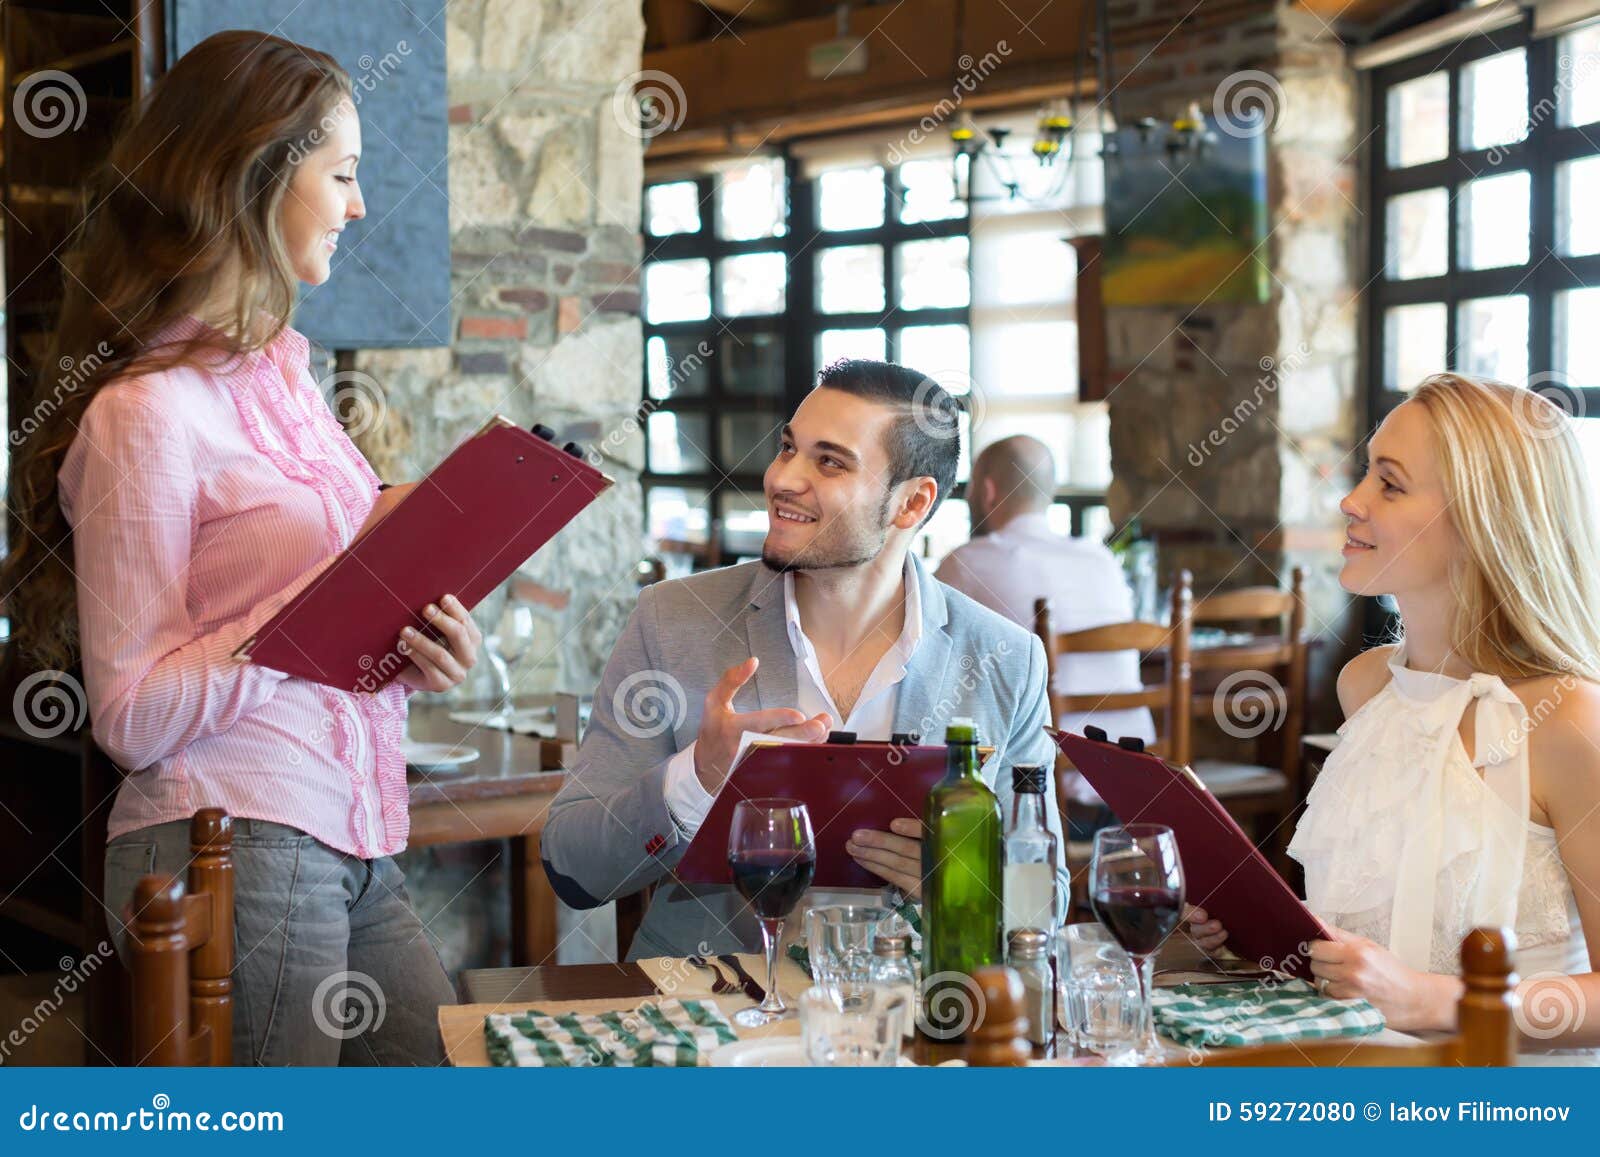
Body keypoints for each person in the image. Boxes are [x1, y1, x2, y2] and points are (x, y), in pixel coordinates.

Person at [0, 31, 480, 1065]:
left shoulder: (290, 388)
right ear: (256, 173)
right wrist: (333, 591)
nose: (359, 206)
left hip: (353, 834)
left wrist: (414, 643)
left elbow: (318, 638)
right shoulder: (144, 415)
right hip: (234, 833)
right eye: (343, 174)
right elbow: (131, 715)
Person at [542, 360, 1069, 958]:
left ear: (911, 504)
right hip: (710, 1018)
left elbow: (1042, 903)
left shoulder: (1007, 658)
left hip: (924, 1018)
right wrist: (697, 777)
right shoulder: (672, 619)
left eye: (830, 461)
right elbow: (573, 870)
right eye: (787, 448)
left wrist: (962, 881)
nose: (782, 479)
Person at [1189, 373, 1600, 1063]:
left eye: (1390, 483)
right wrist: (1259, 935)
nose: (1351, 501)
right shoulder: (1367, 686)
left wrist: (1432, 998)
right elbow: (1373, 935)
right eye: (1364, 475)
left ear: (1481, 518)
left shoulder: (1572, 724)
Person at [936, 435, 1154, 830]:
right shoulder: (1101, 558)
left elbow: (922, 651)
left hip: (1047, 792)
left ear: (987, 491)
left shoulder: (966, 562)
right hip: (1139, 781)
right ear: (1048, 493)